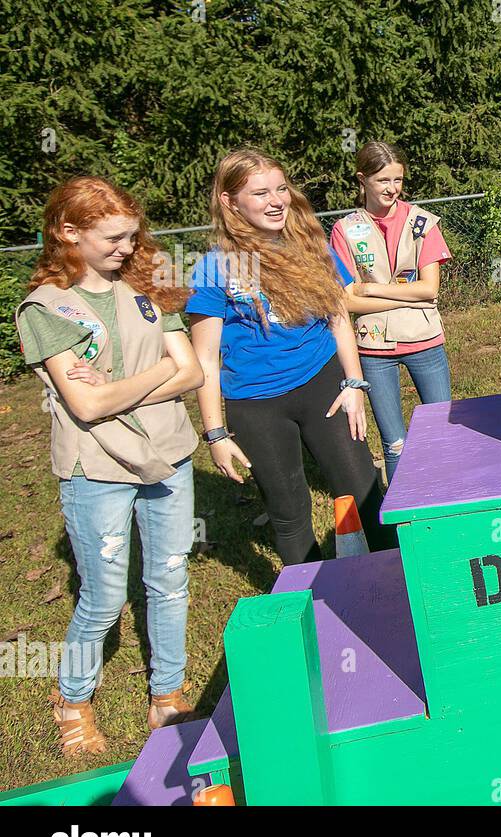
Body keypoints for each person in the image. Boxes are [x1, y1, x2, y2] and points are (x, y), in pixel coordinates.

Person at [17, 177, 204, 755]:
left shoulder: (148, 287)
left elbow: (193, 372)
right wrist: (155, 380)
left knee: (170, 577)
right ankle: (73, 696)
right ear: (68, 233)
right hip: (96, 467)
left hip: (169, 452)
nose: (129, 248)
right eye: (115, 238)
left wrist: (124, 386)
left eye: (132, 236)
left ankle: (167, 693)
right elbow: (88, 406)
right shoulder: (44, 309)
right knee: (102, 595)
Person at [188, 148, 397, 565]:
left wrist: (354, 384)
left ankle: (399, 587)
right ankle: (312, 606)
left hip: (325, 385)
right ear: (230, 202)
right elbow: (205, 361)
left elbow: (338, 315)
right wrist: (215, 434)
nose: (276, 200)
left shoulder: (309, 245)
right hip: (256, 404)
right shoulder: (213, 269)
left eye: (281, 188)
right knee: (289, 514)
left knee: (365, 492)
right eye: (260, 192)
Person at [330, 141, 453, 484]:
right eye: (383, 180)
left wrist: (372, 288)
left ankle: (446, 498)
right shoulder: (345, 229)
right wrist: (406, 297)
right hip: (374, 348)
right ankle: (405, 515)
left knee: (442, 432)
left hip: (424, 340)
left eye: (397, 180)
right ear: (362, 180)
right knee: (394, 443)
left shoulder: (423, 223)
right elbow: (347, 301)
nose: (392, 189)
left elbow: (429, 289)